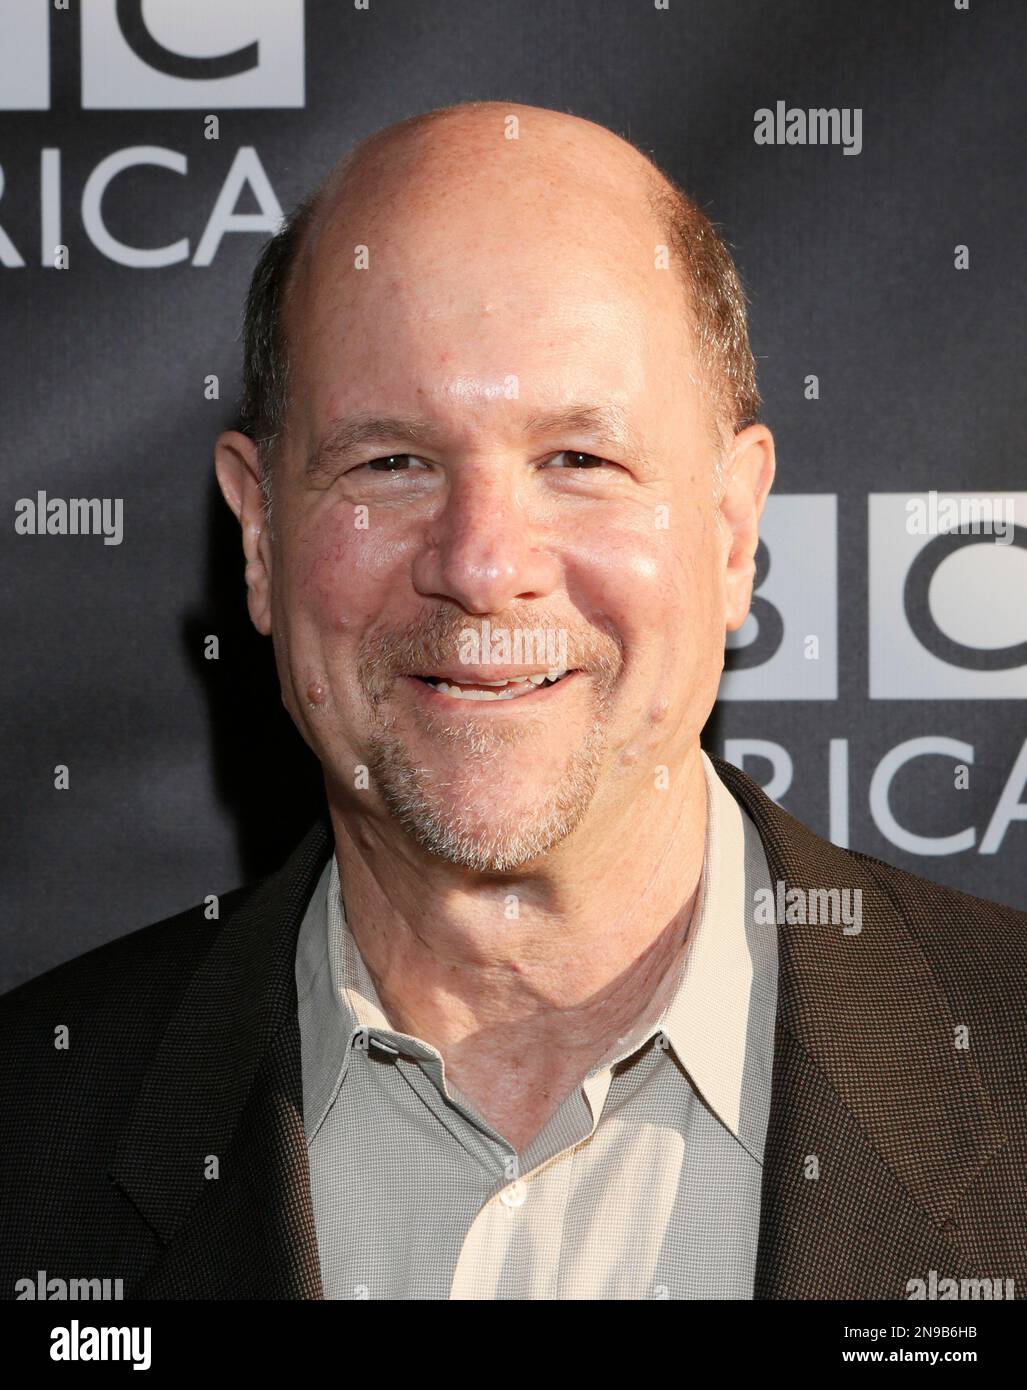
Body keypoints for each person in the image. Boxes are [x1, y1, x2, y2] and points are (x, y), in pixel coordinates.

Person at [1, 102, 1022, 1301]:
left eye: (578, 460)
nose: (483, 564)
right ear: (261, 532)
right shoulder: (32, 1139)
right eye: (391, 462)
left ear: (733, 526)